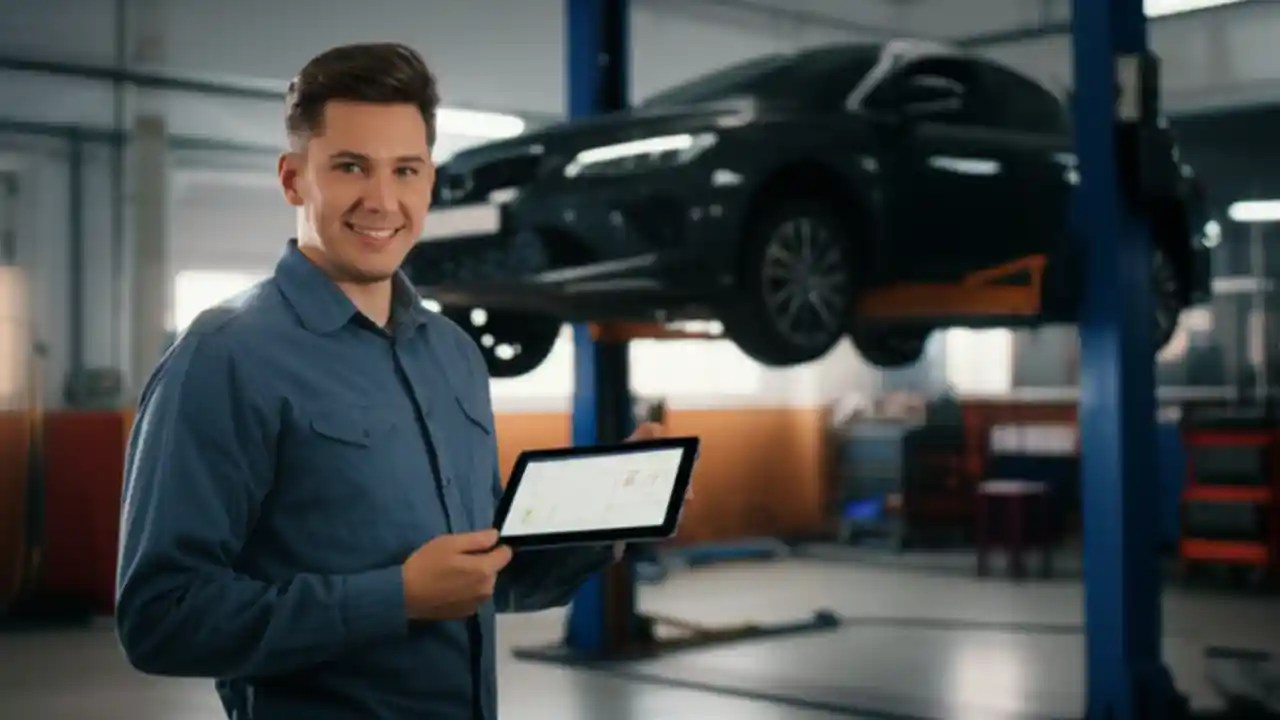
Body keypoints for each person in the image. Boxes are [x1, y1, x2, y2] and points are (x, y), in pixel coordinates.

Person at [114, 42, 659, 720]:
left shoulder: (453, 354)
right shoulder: (224, 355)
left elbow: (482, 578)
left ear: (429, 181)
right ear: (292, 180)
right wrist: (395, 596)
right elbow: (161, 619)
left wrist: (606, 523)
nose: (382, 200)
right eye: (350, 167)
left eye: (406, 170)